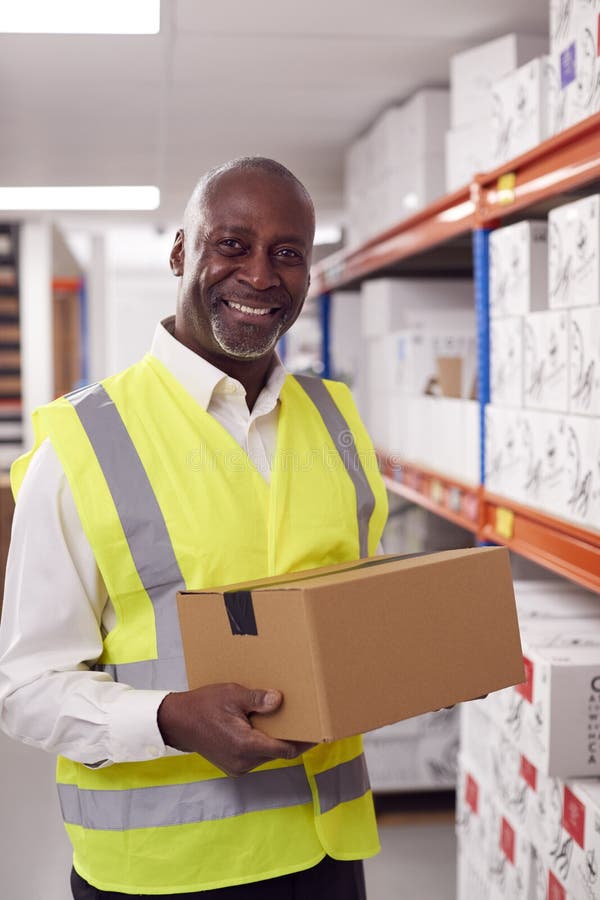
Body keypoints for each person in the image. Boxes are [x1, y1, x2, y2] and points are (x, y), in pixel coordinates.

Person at [0, 157, 388, 899]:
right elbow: (25, 689)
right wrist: (170, 718)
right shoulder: (81, 444)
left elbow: (359, 607)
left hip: (324, 853)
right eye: (232, 244)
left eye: (287, 253)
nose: (260, 276)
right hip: (163, 873)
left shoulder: (336, 419)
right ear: (181, 251)